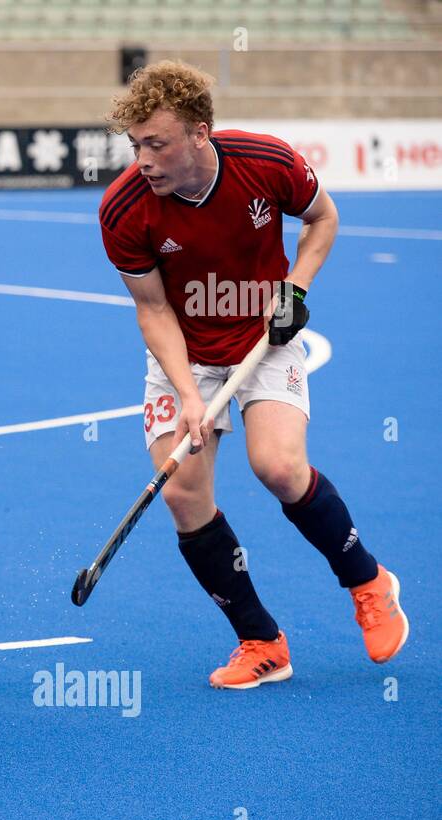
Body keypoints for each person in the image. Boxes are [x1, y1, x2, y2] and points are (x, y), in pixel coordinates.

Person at [98, 61, 408, 688]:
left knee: (278, 467)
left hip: (266, 338)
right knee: (185, 495)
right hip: (183, 353)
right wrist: (188, 396)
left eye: (156, 143)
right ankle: (261, 640)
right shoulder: (124, 209)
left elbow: (323, 219)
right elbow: (153, 309)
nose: (144, 160)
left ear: (199, 133)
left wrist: (295, 288)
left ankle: (369, 581)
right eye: (135, 146)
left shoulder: (266, 162)